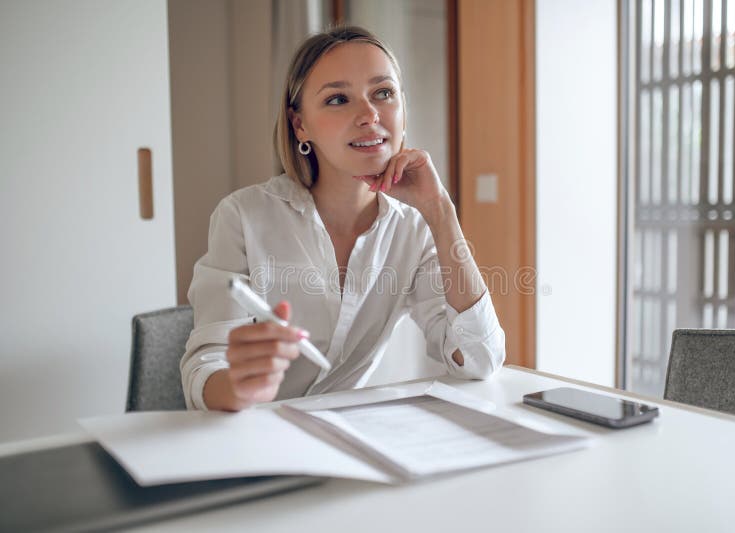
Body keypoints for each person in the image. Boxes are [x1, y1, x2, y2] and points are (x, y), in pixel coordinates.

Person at [180, 26, 505, 411]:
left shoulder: (413, 228)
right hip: (256, 432)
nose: (369, 114)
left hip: (343, 431)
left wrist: (441, 210)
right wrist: (239, 385)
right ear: (300, 125)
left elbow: (479, 360)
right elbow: (204, 367)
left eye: (383, 93)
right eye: (337, 99)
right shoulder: (243, 216)